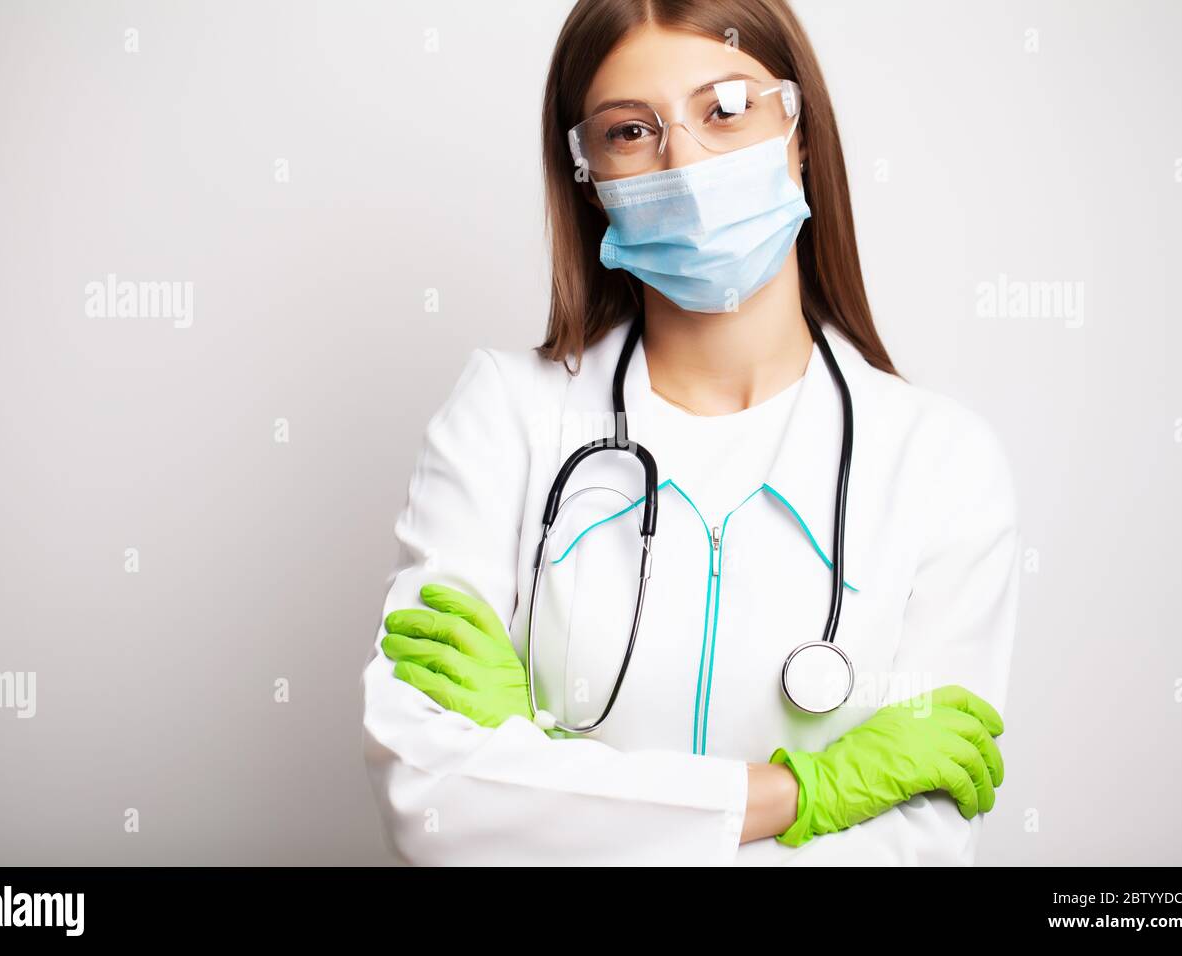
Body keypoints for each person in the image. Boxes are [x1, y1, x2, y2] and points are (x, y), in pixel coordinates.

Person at [361, 0, 1020, 866]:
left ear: (801, 132)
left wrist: (543, 775)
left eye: (726, 110)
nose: (687, 161)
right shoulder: (504, 417)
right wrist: (799, 794)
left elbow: (913, 852)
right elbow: (435, 807)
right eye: (631, 132)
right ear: (587, 175)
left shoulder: (941, 464)